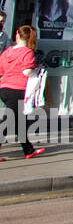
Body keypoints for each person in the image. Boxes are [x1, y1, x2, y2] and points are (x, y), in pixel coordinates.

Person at [0, 25, 44, 160]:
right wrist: (36, 70)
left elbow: (1, 71)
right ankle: (28, 149)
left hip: (4, 88)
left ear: (17, 36)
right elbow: (27, 72)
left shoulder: (7, 52)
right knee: (8, 121)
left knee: (20, 122)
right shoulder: (27, 52)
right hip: (18, 89)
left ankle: (28, 150)